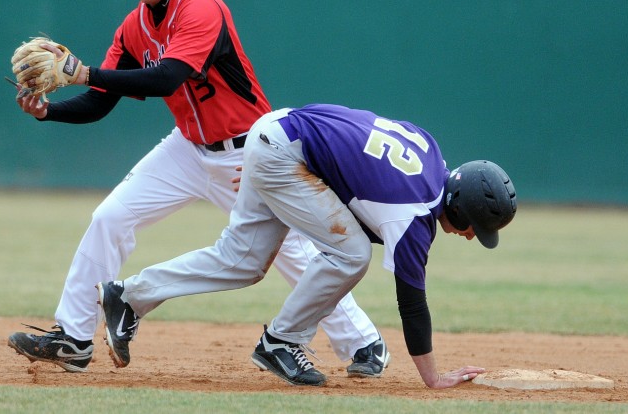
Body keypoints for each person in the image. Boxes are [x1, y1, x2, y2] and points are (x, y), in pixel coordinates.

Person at [7, 0, 388, 378]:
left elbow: (166, 77)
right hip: (187, 147)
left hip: (250, 151)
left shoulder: (201, 6)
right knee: (109, 218)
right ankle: (73, 337)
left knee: (293, 252)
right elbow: (99, 100)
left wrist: (82, 71)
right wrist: (48, 113)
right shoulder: (133, 28)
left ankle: (363, 344)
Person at [95, 104, 517, 387]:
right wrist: (433, 378)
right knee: (352, 255)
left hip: (280, 133)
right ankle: (282, 341)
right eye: (473, 227)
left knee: (242, 259)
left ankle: (128, 296)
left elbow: (354, 144)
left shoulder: (429, 149)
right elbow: (412, 304)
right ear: (461, 209)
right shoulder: (413, 218)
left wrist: (269, 159)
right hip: (287, 152)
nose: (468, 236)